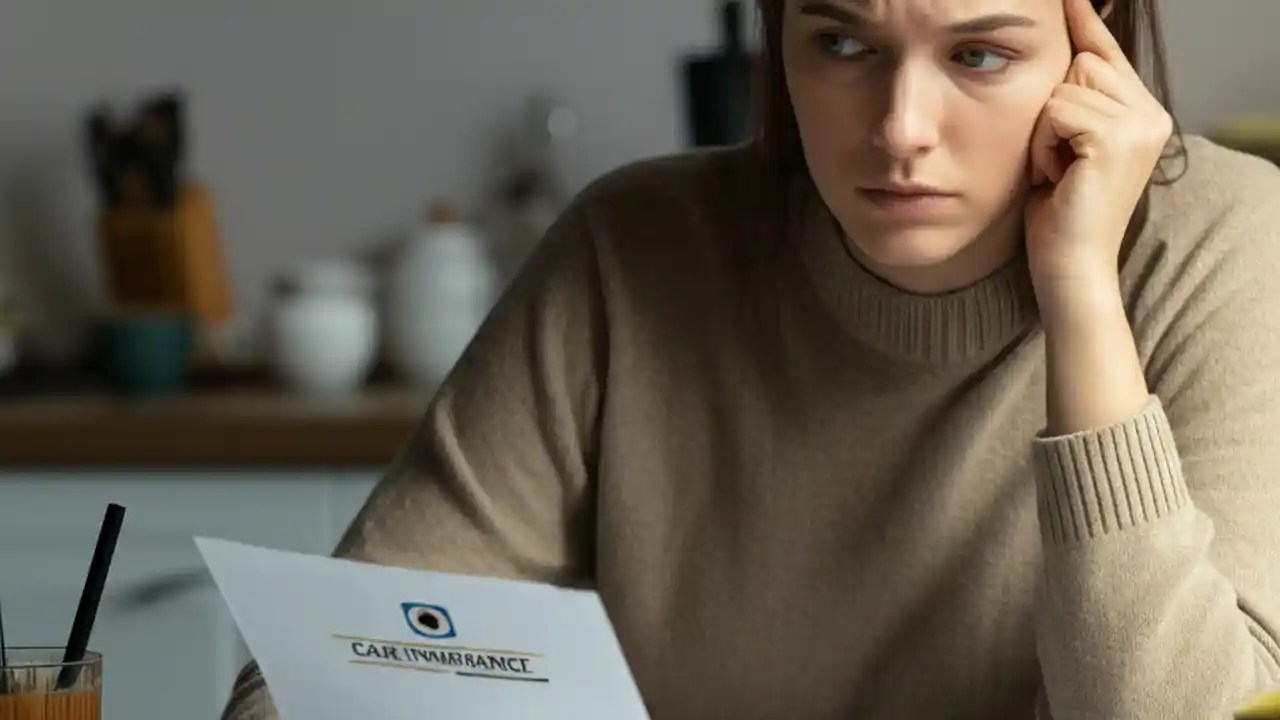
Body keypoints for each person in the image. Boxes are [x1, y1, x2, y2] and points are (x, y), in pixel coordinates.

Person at [223, 0, 1280, 717]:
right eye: (843, 44)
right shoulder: (632, 248)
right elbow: (311, 683)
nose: (901, 129)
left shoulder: (1228, 243)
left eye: (979, 55)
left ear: (1096, 53)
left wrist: (1081, 293)